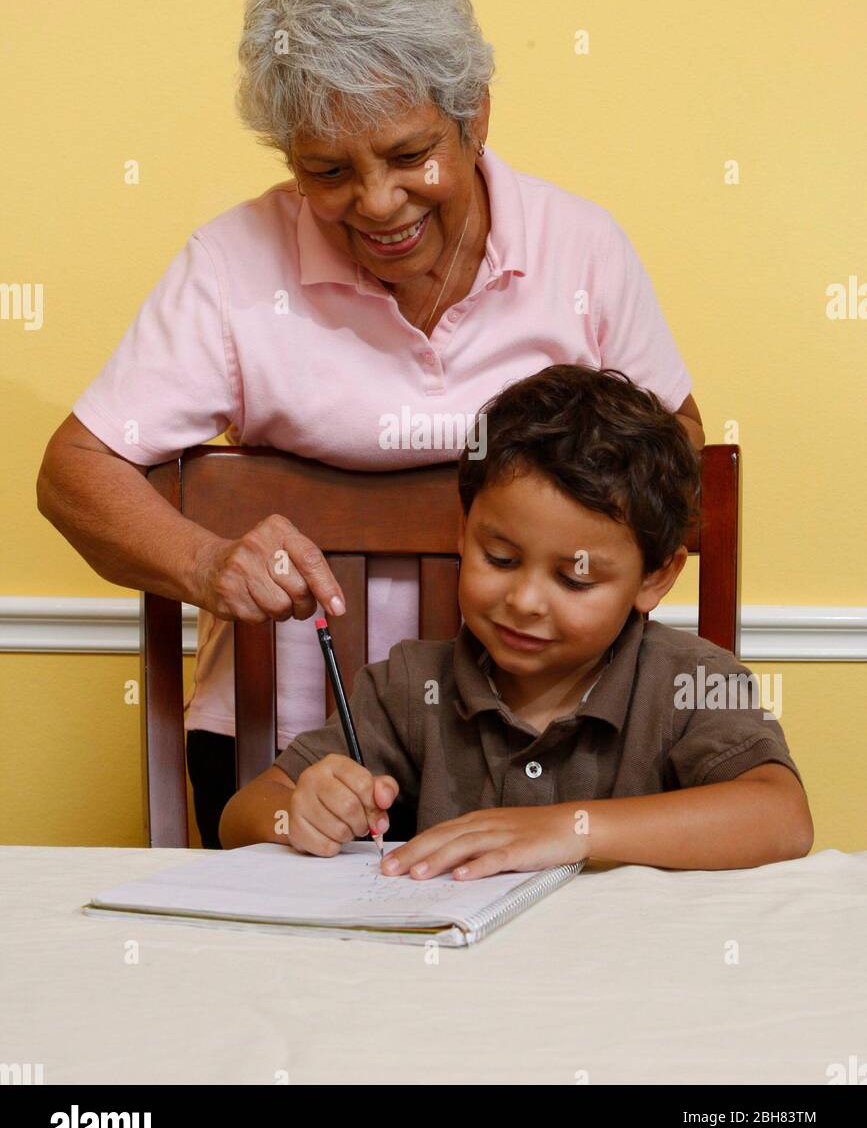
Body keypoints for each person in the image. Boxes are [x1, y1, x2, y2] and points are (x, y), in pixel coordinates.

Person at [36, 0, 705, 850]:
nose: (377, 202)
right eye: (326, 171)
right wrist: (207, 563)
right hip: (279, 763)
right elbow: (75, 468)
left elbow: (673, 471)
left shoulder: (583, 248)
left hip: (541, 749)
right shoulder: (231, 263)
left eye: (409, 154)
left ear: (474, 117)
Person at [220, 365, 812, 874]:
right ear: (463, 531)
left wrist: (570, 830)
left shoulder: (691, 679)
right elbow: (242, 813)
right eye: (499, 558)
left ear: (655, 577)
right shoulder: (408, 686)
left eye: (575, 577)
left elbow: (781, 816)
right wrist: (299, 813)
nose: (526, 601)